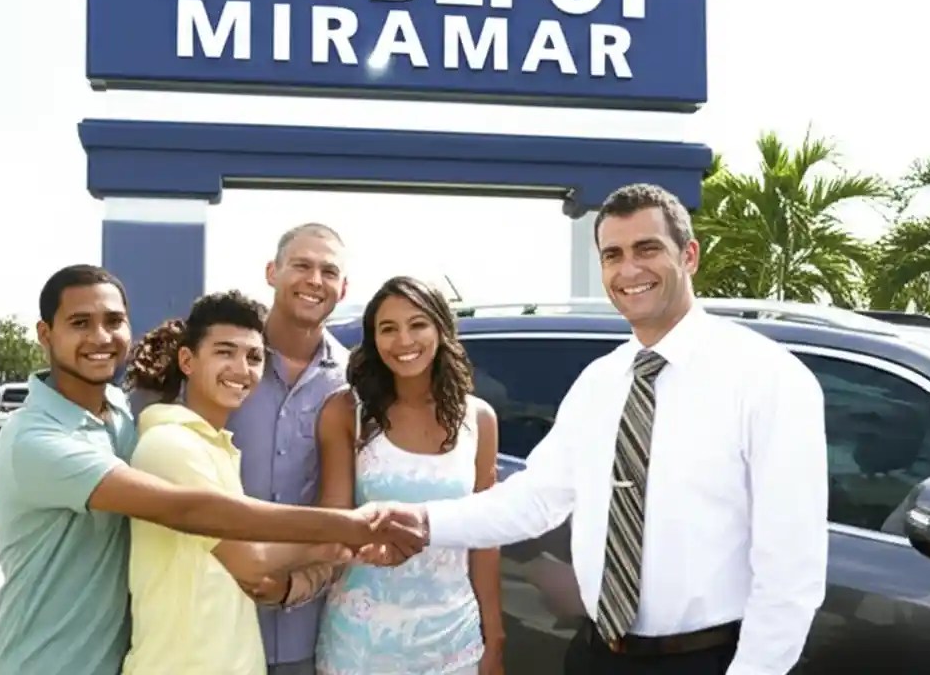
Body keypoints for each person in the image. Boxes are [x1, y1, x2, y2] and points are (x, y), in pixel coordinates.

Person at [363, 184, 830, 675]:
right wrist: (421, 521)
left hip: (708, 660)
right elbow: (534, 501)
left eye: (647, 249)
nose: (628, 270)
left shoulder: (767, 378)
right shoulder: (600, 383)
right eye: (613, 255)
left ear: (689, 255)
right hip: (596, 655)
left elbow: (790, 573)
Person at [0, 265, 422, 675]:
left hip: (113, 654)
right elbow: (191, 511)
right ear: (45, 333)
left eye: (113, 320)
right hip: (44, 659)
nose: (100, 336)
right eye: (80, 322)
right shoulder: (40, 440)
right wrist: (348, 528)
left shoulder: (119, 414)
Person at [119, 290, 354, 675]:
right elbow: (250, 561)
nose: (241, 368)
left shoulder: (218, 446)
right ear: (187, 361)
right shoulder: (171, 445)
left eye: (254, 357)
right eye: (225, 352)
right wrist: (336, 539)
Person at [314, 275, 505, 675]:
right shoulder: (347, 413)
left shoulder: (479, 419)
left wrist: (495, 636)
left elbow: (485, 538)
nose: (403, 341)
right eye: (388, 328)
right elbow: (332, 524)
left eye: (417, 324)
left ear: (440, 329)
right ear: (373, 338)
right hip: (361, 640)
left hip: (454, 635)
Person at [224, 222, 356, 675]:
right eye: (301, 265)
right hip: (214, 615)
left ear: (343, 287)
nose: (314, 280)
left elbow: (345, 506)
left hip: (306, 626)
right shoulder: (222, 364)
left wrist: (295, 584)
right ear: (271, 272)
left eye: (328, 270)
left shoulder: (355, 380)